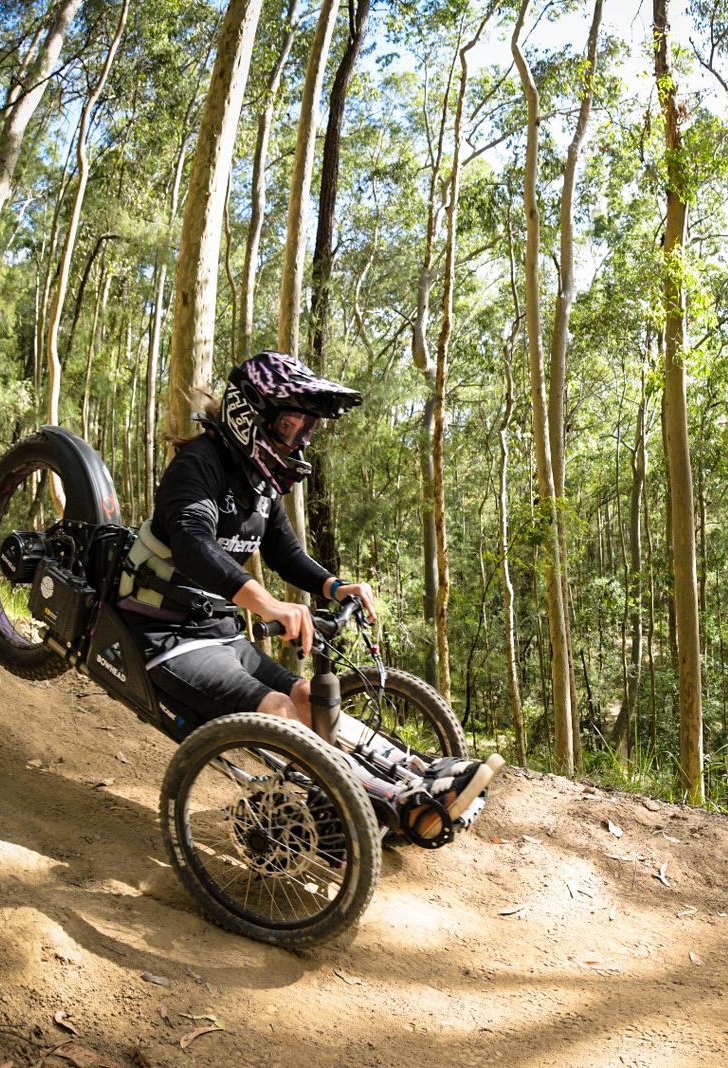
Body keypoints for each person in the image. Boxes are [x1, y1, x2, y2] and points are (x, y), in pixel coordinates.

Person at [119, 349, 501, 833]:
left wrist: (334, 586)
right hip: (166, 635)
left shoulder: (260, 482)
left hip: (218, 630)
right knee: (280, 711)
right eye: (291, 424)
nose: (299, 438)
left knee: (305, 694)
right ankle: (393, 804)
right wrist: (268, 602)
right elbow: (193, 544)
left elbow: (284, 553)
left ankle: (420, 774)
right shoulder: (197, 466)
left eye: (307, 428)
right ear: (249, 416)